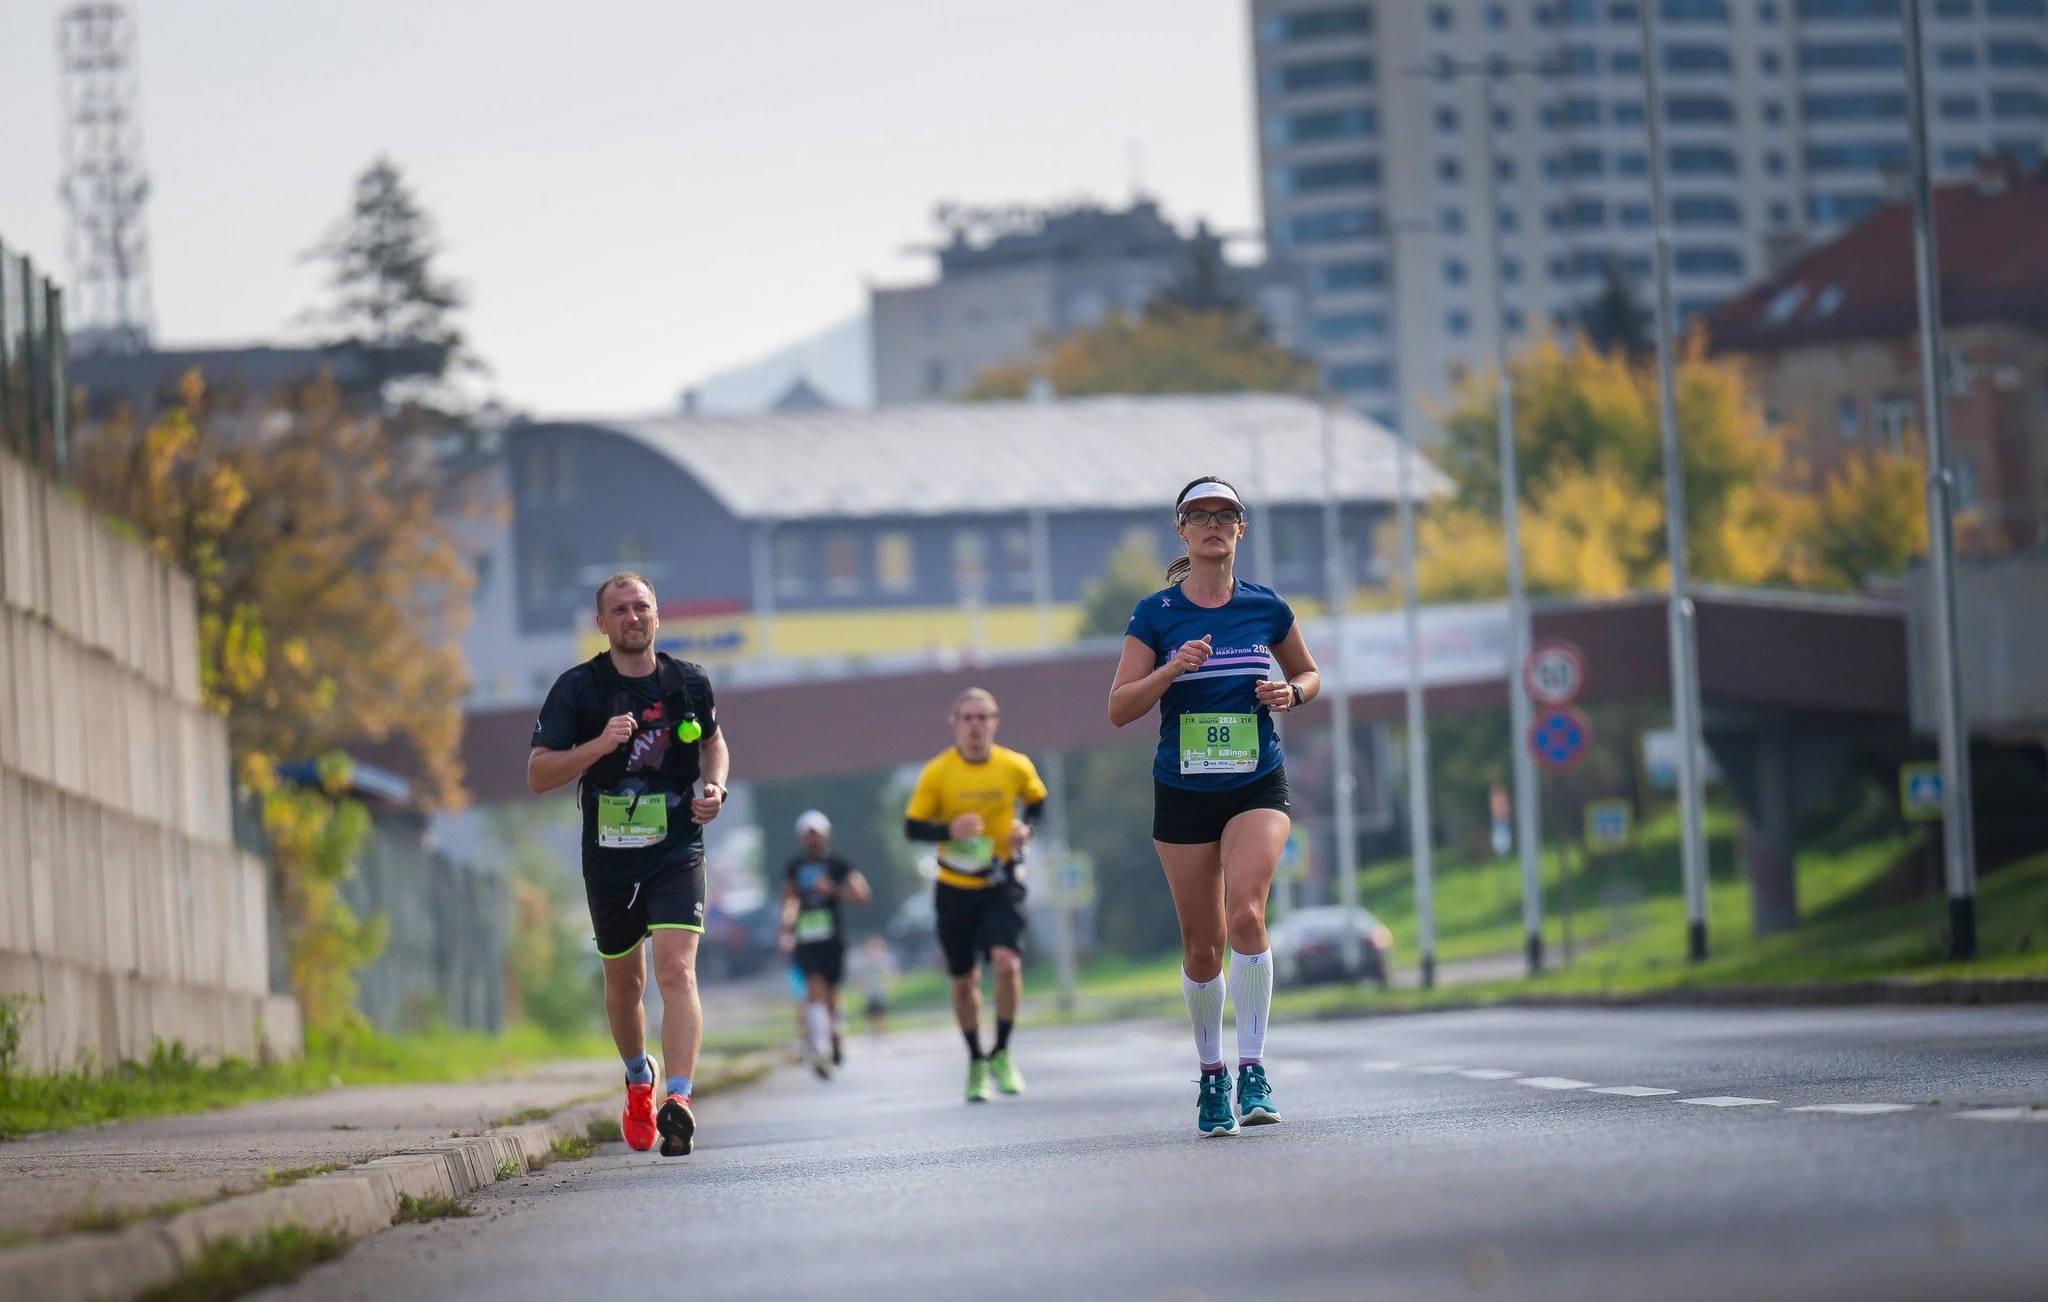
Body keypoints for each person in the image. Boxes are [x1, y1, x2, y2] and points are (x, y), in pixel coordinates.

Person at [1107, 477, 1321, 1137]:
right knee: (1204, 945)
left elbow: (1309, 672)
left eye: (1224, 516)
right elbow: (1119, 708)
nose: (1212, 526)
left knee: (1248, 913)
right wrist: (1170, 670)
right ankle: (1211, 1078)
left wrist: (1293, 693)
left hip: (1256, 780)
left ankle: (1254, 1068)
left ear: (1240, 530)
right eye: (1199, 516)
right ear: (1182, 530)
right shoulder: (1156, 614)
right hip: (1183, 790)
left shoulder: (1266, 608)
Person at [528, 572, 730, 1158]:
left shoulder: (688, 683)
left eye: (641, 606)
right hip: (610, 856)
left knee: (677, 970)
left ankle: (679, 1098)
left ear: (658, 615)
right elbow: (538, 774)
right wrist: (599, 745)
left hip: (676, 845)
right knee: (625, 987)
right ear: (602, 624)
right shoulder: (578, 690)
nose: (632, 617)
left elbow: (715, 742)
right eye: (619, 610)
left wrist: (714, 788)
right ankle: (639, 1076)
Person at [903, 687, 1047, 1103]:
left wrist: (1026, 829)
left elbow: (1037, 802)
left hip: (1001, 880)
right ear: (955, 723)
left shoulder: (1014, 765)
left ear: (995, 722)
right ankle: (975, 1060)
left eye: (983, 717)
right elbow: (913, 827)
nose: (976, 725)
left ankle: (1001, 1051)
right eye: (967, 717)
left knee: (1006, 964)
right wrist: (949, 830)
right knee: (965, 980)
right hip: (955, 886)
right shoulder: (937, 772)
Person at [778, 810, 872, 1078]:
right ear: (800, 838)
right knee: (813, 989)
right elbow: (789, 900)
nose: (812, 840)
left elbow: (862, 895)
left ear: (826, 835)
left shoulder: (838, 864)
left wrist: (832, 889)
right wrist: (786, 931)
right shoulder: (794, 867)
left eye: (816, 834)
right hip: (806, 938)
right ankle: (820, 1051)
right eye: (808, 835)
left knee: (831, 993)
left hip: (832, 937)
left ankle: (835, 1031)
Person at [849, 934, 899, 1038]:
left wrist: (887, 983)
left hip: (881, 992)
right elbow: (859, 977)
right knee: (872, 1014)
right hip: (870, 992)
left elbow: (892, 974)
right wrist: (861, 986)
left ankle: (882, 1034)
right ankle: (875, 1033)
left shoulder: (885, 960)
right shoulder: (864, 962)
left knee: (882, 1014)